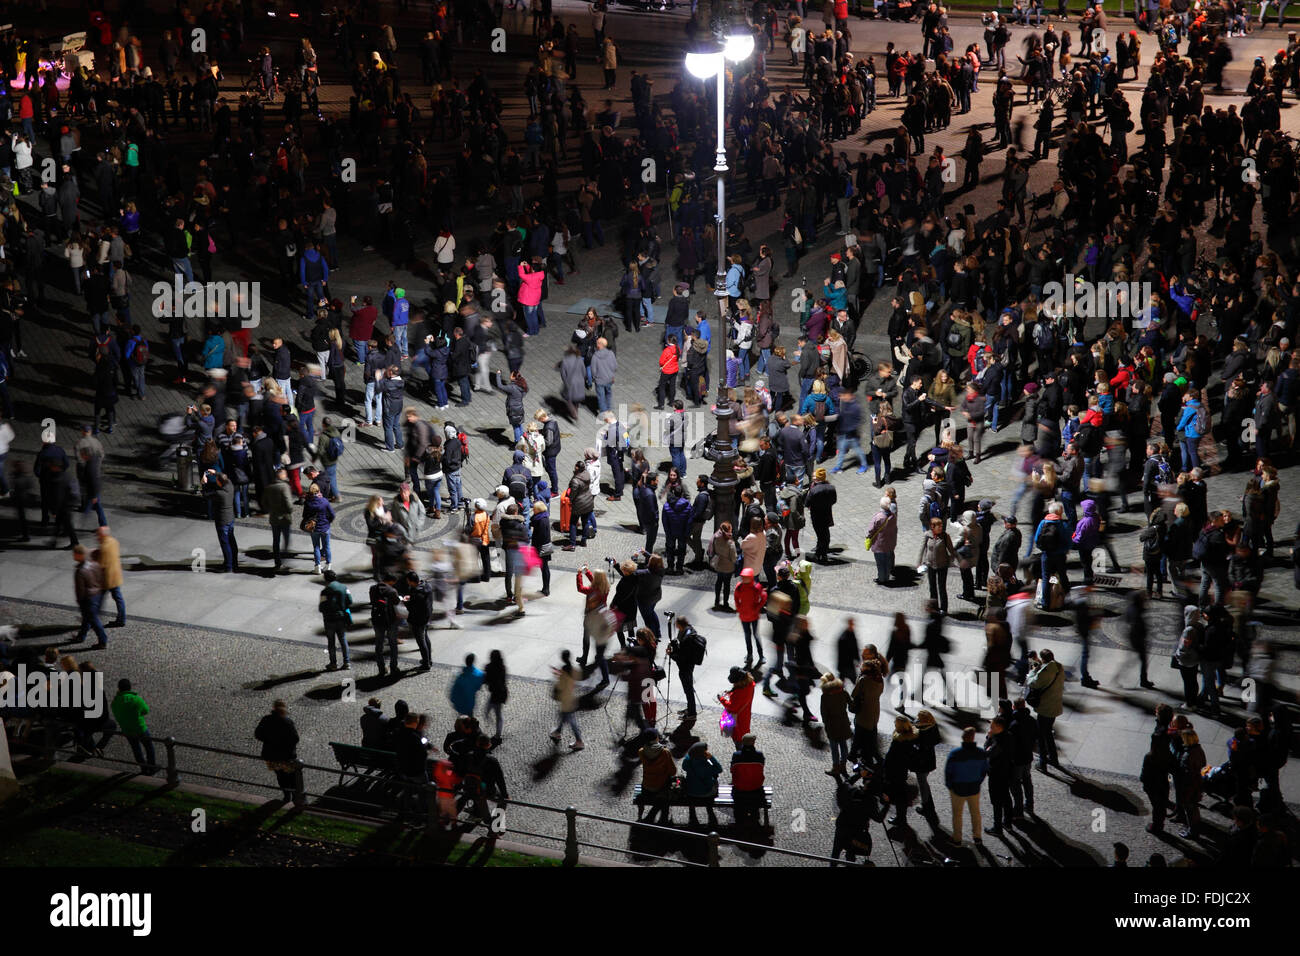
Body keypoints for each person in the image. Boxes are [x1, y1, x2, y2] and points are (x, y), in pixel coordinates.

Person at [944, 727, 989, 847]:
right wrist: (978, 782)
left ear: (963, 738)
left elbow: (948, 772)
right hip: (974, 788)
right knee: (975, 813)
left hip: (958, 789)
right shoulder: (981, 753)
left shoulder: (955, 754)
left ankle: (957, 839)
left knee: (957, 814)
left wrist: (950, 786)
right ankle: (977, 837)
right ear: (973, 738)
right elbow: (984, 771)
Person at [254, 700, 301, 802]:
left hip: (271, 755)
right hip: (286, 756)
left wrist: (269, 740)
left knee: (280, 776)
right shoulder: (288, 722)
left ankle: (286, 795)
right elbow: (295, 738)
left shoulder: (266, 719)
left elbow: (257, 734)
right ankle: (295, 796)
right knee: (291, 777)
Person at [1025, 649, 1064, 770]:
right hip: (1055, 706)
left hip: (1045, 708)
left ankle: (1043, 763)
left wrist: (1032, 671)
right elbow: (1047, 670)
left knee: (1041, 735)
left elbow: (1032, 682)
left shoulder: (1044, 672)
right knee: (1048, 733)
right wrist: (1038, 664)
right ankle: (1054, 759)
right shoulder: (1058, 666)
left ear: (1043, 659)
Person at [111, 678, 156, 775]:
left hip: (127, 730)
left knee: (136, 750)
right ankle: (152, 767)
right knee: (149, 748)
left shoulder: (115, 701)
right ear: (130, 687)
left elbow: (115, 712)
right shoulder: (136, 699)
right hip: (140, 728)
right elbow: (146, 710)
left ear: (119, 688)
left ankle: (143, 768)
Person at [917, 516, 958, 614]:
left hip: (942, 565)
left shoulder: (945, 536)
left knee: (942, 587)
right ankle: (934, 607)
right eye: (938, 526)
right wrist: (919, 562)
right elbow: (922, 549)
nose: (940, 528)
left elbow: (952, 551)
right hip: (930, 565)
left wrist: (950, 560)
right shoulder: (927, 535)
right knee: (932, 587)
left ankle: (944, 608)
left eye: (941, 526)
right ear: (932, 527)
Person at [73, 544, 109, 648]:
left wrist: (80, 601)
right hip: (97, 594)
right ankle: (81, 636)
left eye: (75, 554)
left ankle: (103, 641)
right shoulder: (94, 564)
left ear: (79, 555)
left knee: (93, 620)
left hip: (88, 598)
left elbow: (80, 589)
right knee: (87, 618)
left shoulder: (80, 571)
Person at [638, 731, 677, 824]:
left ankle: (651, 816)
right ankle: (663, 819)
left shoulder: (641, 751)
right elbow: (673, 772)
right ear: (656, 739)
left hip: (646, 786)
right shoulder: (665, 752)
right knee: (667, 794)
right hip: (661, 787)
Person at [819, 674, 854, 778]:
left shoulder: (825, 696)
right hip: (843, 722)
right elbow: (851, 705)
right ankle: (843, 765)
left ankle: (836, 767)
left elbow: (824, 713)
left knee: (834, 747)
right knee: (843, 744)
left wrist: (826, 724)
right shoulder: (843, 692)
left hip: (832, 724)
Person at [683, 740, 723, 827]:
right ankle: (710, 812)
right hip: (707, 792)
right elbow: (719, 769)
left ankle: (692, 814)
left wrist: (688, 756)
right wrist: (711, 758)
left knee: (692, 787)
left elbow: (684, 766)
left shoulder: (688, 761)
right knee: (714, 781)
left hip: (691, 791)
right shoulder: (707, 764)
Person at [550, 649, 585, 750]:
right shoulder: (572, 668)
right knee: (563, 716)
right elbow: (578, 676)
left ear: (562, 658)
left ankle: (579, 741)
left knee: (571, 721)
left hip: (566, 700)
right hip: (572, 698)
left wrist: (557, 675)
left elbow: (560, 687)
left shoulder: (563, 671)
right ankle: (557, 732)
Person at [318, 569, 353, 670]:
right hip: (341, 618)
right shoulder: (344, 587)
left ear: (325, 579)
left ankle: (333, 663)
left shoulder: (325, 591)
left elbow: (321, 607)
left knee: (331, 642)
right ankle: (347, 662)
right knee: (343, 639)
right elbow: (350, 601)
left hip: (329, 619)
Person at [718, 666, 756, 748]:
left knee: (739, 739)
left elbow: (732, 707)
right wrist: (731, 692)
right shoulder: (750, 685)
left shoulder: (738, 693)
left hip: (738, 720)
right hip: (746, 715)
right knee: (745, 732)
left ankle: (741, 755)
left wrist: (721, 699)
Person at [806, 467, 838, 562]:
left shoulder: (813, 490)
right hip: (826, 513)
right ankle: (823, 553)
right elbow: (834, 500)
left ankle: (819, 554)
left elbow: (807, 504)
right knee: (825, 533)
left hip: (816, 515)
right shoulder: (831, 488)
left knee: (820, 535)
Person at [484, 650, 508, 747]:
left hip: (495, 694)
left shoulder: (489, 667)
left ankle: (498, 735)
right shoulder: (502, 667)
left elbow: (486, 680)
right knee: (496, 713)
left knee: (494, 713)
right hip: (501, 693)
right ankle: (497, 733)